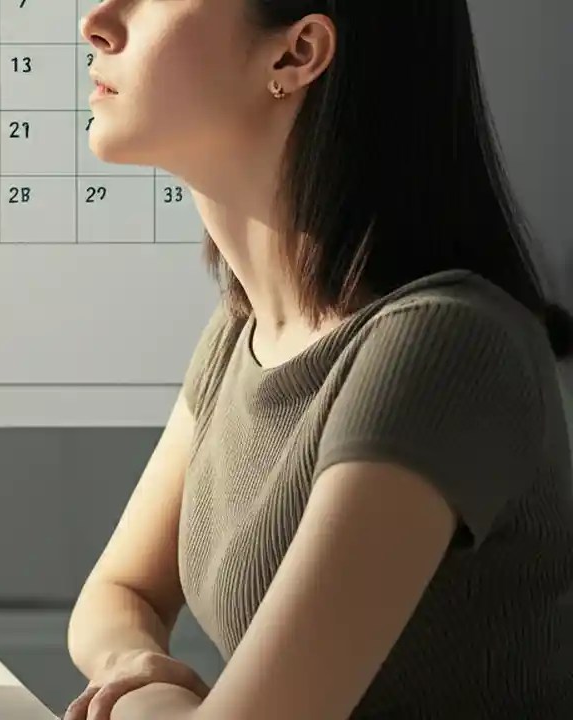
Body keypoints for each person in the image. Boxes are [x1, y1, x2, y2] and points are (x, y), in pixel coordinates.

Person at [64, 1, 573, 719]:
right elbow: (119, 594)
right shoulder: (241, 332)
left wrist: (134, 705)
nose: (99, 20)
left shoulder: (440, 347)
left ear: (295, 54)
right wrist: (140, 672)